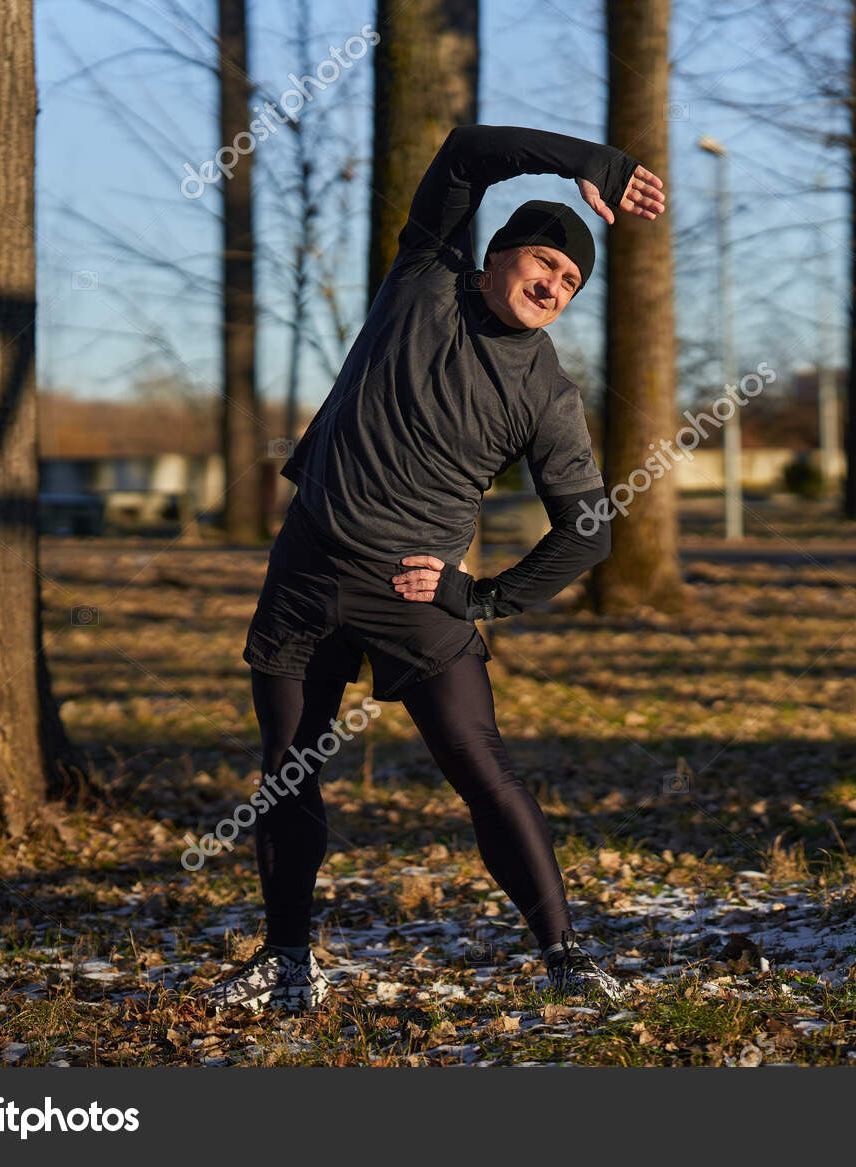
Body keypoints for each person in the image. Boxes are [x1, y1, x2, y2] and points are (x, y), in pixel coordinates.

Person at [198, 123, 665, 1014]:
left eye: (572, 282)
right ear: (494, 255)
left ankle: (565, 954)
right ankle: (288, 959)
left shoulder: (548, 393)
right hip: (307, 567)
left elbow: (589, 531)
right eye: (545, 263)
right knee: (288, 766)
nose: (555, 286)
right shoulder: (423, 278)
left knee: (483, 770)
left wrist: (480, 596)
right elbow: (464, 152)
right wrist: (591, 166)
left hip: (417, 596)